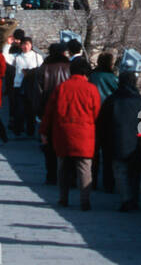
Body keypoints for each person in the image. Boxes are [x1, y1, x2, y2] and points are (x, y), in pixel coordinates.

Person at [41, 56, 101, 210]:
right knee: (84, 169)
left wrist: (44, 132)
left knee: (63, 168)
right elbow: (96, 114)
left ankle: (63, 198)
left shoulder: (61, 88)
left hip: (63, 133)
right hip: (84, 134)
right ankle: (85, 200)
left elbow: (49, 112)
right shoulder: (92, 89)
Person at [97, 67, 141, 211]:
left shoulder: (111, 101)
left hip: (117, 141)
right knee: (135, 174)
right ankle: (134, 199)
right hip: (137, 143)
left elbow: (102, 124)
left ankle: (127, 200)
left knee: (121, 172)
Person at [32, 42, 72, 184]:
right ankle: (68, 177)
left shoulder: (43, 69)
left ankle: (51, 175)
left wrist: (39, 113)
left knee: (49, 146)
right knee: (66, 144)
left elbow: (37, 94)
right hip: (67, 113)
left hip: (48, 112)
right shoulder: (70, 69)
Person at [88, 52, 120, 192]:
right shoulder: (113, 79)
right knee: (108, 154)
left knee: (93, 153)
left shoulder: (92, 77)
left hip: (92, 118)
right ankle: (109, 183)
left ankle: (91, 181)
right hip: (108, 119)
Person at [6, 36, 42, 136]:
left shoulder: (37, 57)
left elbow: (41, 70)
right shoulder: (17, 57)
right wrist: (8, 44)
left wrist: (30, 73)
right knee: (19, 109)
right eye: (24, 44)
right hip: (19, 85)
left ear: (31, 45)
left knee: (31, 110)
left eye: (28, 44)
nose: (25, 47)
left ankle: (30, 130)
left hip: (32, 86)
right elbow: (5, 57)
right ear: (20, 45)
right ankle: (19, 129)